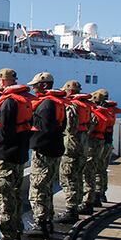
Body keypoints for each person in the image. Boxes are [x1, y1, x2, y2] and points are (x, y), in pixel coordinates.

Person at [0, 68, 34, 240]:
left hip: (6, 157)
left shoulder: (8, 103)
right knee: (15, 195)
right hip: (20, 155)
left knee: (3, 197)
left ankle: (8, 239)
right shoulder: (25, 101)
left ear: (3, 82)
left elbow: (3, 132)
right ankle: (16, 234)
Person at [25, 72, 67, 238]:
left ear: (43, 85)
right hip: (55, 149)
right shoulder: (58, 103)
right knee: (48, 186)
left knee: (38, 188)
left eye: (35, 85)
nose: (33, 89)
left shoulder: (46, 105)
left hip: (44, 152)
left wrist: (33, 142)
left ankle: (40, 222)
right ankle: (47, 220)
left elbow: (44, 130)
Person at [55, 80, 87, 224]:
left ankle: (71, 209)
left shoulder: (70, 106)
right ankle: (79, 204)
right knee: (78, 175)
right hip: (83, 144)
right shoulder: (86, 105)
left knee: (68, 177)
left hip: (71, 145)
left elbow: (69, 127)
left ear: (70, 91)